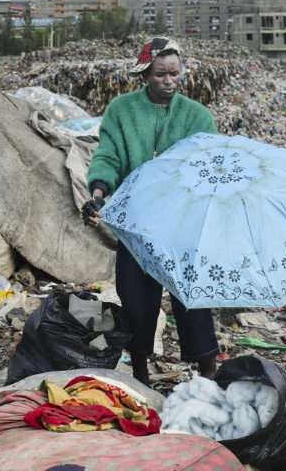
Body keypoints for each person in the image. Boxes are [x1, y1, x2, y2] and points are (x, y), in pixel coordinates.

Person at [82, 37, 220, 386]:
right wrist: (98, 194)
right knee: (137, 300)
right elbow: (108, 156)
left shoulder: (197, 117)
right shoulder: (122, 111)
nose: (169, 81)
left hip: (181, 224)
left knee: (192, 299)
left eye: (175, 73)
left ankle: (208, 372)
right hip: (137, 223)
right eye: (160, 74)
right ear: (145, 73)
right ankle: (140, 370)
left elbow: (208, 168)